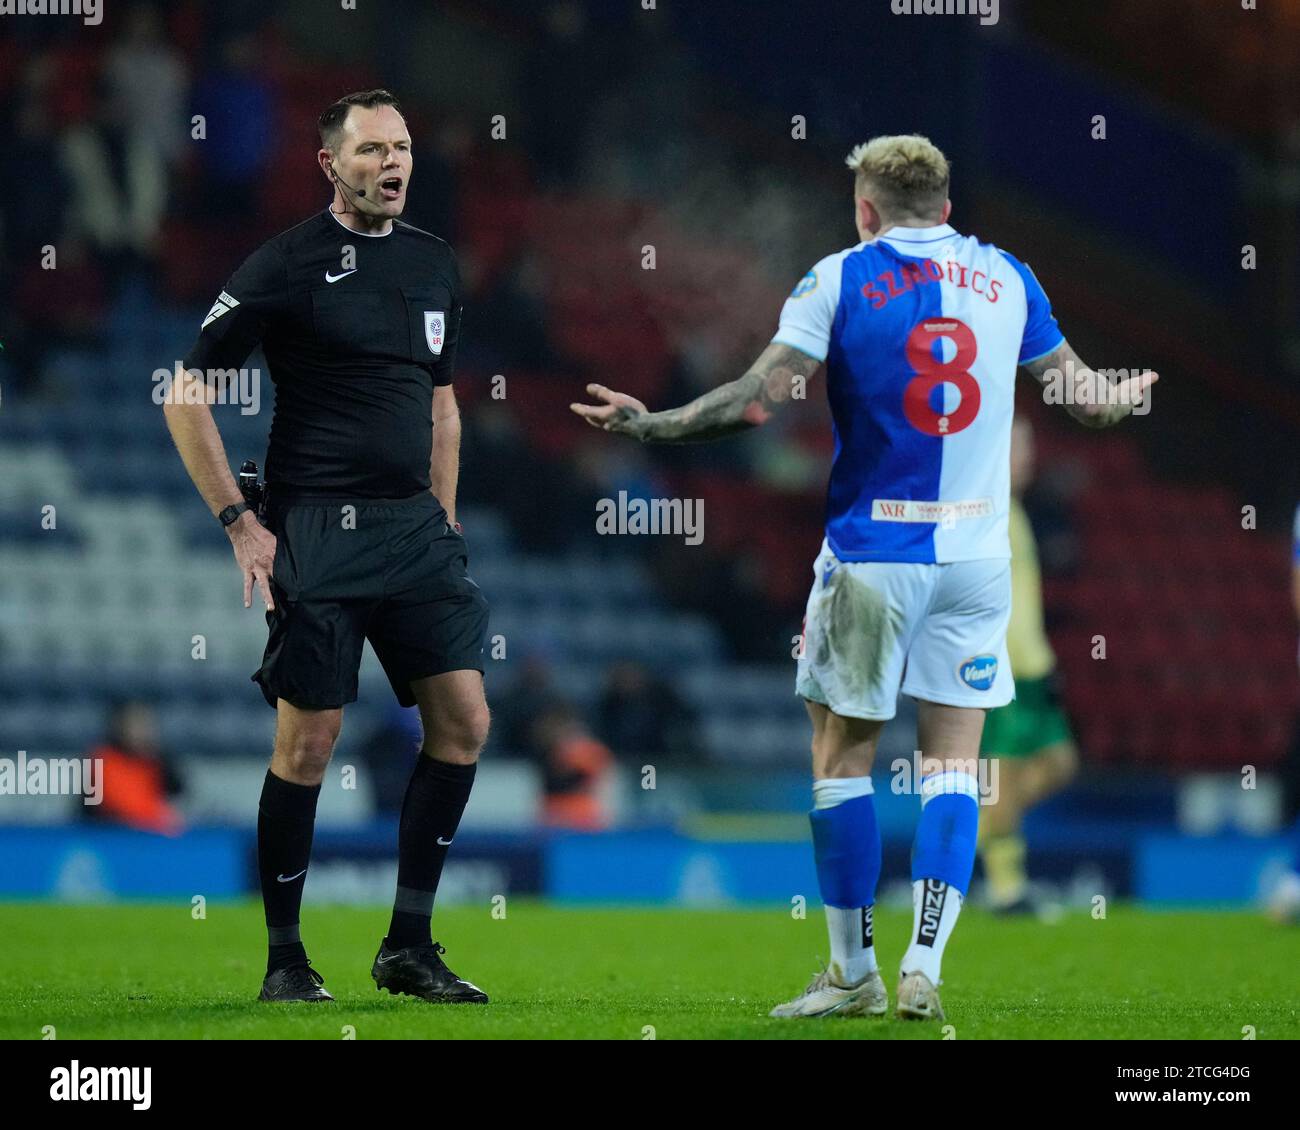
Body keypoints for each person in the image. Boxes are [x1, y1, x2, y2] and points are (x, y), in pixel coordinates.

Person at [572, 134, 1156, 1020]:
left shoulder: (839, 278)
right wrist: (1127, 393)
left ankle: (853, 972)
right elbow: (1086, 397)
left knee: (842, 757)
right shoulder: (1010, 278)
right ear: (949, 207)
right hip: (977, 560)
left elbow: (755, 399)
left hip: (874, 556)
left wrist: (651, 424)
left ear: (866, 209)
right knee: (956, 767)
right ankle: (926, 962)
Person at [163, 89, 491, 1005]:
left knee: (463, 722)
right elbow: (184, 392)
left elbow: (441, 403)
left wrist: (448, 518)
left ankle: (409, 948)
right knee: (310, 741)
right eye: (374, 150)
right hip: (316, 528)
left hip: (414, 530)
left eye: (405, 148)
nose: (394, 164)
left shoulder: (433, 265)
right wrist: (240, 521)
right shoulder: (287, 264)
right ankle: (285, 961)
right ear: (330, 165)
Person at [976, 417, 1078, 912]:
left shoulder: (1014, 510)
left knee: (1060, 764)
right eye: (1018, 446)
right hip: (1006, 671)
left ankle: (966, 841)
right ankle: (1006, 886)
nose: (1028, 456)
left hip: (1034, 667)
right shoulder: (985, 511)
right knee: (1006, 777)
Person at [84, 701, 184, 836]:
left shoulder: (159, 760)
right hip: (112, 839)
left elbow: (179, 793)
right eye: (135, 725)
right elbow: (118, 805)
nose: (143, 731)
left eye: (146, 725)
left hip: (152, 838)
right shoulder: (103, 759)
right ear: (120, 727)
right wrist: (160, 817)